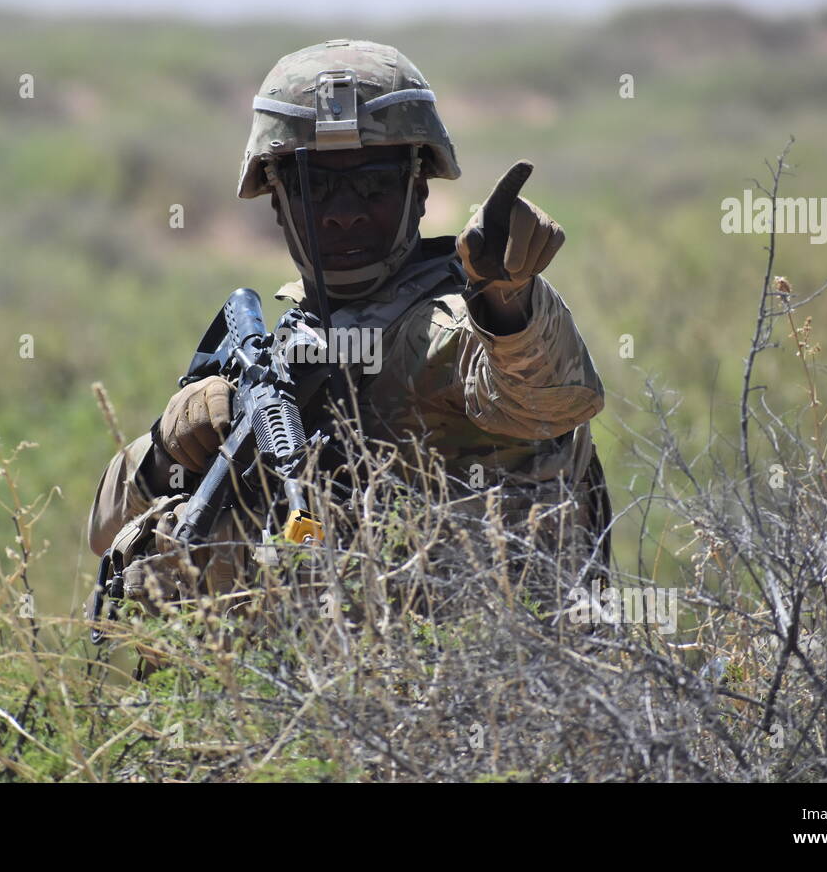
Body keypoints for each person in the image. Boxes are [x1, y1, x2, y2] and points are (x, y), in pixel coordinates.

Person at [85, 39, 610, 644]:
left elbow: (548, 400)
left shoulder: (447, 328)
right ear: (276, 199)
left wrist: (508, 298)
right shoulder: (280, 348)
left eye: (373, 185)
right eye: (316, 188)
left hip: (478, 688)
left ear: (419, 190)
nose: (343, 215)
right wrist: (168, 448)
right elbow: (103, 531)